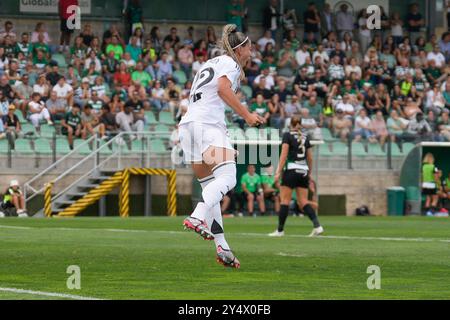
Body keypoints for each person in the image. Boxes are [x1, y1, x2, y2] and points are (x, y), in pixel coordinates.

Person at [179, 24, 264, 269]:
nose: (251, 51)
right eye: (249, 47)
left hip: (189, 126)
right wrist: (247, 116)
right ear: (239, 49)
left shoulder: (211, 63)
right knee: (228, 177)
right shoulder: (230, 63)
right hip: (207, 126)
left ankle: (222, 246)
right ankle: (196, 217)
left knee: (211, 188)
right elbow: (223, 89)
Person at [269, 115, 324, 237]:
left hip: (292, 170)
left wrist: (278, 172)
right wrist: (309, 173)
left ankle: (280, 230)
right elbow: (310, 158)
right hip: (303, 171)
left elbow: (283, 155)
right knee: (303, 201)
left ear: (290, 124)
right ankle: (317, 226)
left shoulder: (287, 135)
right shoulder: (305, 137)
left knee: (285, 201)